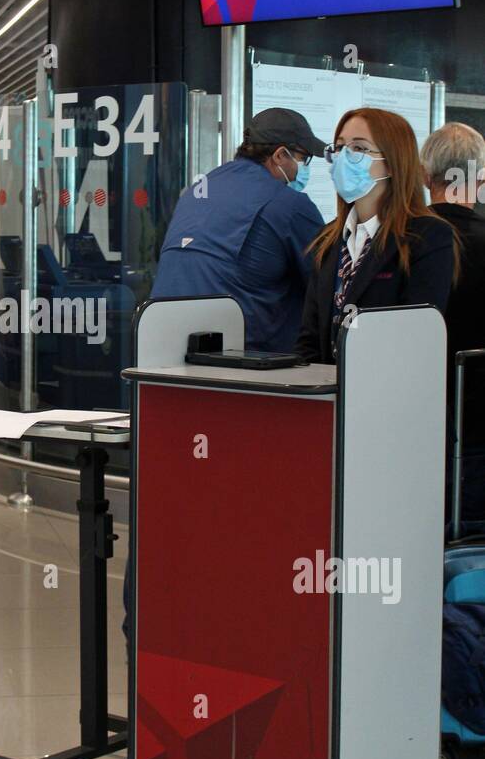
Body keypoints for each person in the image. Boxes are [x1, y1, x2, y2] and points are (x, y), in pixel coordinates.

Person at [152, 108, 326, 351]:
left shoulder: (200, 189)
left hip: (162, 350)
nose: (303, 167)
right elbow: (326, 288)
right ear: (279, 155)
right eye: (303, 158)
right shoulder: (289, 205)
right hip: (245, 364)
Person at [297, 107, 455, 365]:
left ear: (392, 163)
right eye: (338, 148)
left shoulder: (426, 236)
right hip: (329, 394)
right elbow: (310, 338)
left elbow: (416, 337)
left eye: (359, 149)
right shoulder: (328, 239)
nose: (344, 157)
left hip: (388, 391)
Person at [421, 121, 485, 526]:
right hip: (477, 429)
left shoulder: (397, 238)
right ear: (480, 180)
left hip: (404, 423)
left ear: (426, 178)